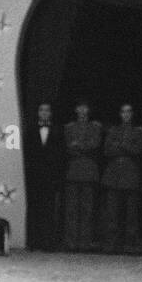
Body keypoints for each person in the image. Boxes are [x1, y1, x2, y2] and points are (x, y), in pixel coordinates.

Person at [100, 104, 142, 254]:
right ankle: (112, 244)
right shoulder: (113, 130)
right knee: (112, 213)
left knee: (131, 213)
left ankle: (130, 244)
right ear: (120, 114)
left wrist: (121, 146)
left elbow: (137, 150)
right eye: (123, 112)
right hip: (113, 175)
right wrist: (126, 147)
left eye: (128, 112)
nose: (126, 115)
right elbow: (107, 150)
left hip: (131, 175)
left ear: (132, 114)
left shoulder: (138, 131)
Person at [62, 100, 103, 252]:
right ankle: (71, 242)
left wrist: (78, 145)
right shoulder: (69, 128)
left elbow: (95, 145)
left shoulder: (95, 127)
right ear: (76, 110)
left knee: (87, 209)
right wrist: (83, 146)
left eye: (85, 109)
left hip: (89, 171)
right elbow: (67, 147)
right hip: (73, 171)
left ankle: (84, 243)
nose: (83, 112)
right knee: (71, 209)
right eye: (80, 109)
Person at [24, 102, 65, 251]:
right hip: (34, 176)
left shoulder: (58, 131)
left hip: (51, 176)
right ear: (38, 113)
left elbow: (61, 155)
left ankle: (49, 242)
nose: (44, 113)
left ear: (51, 113)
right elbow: (27, 153)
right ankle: (33, 242)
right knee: (35, 208)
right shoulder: (30, 130)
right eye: (41, 110)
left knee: (50, 210)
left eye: (47, 110)